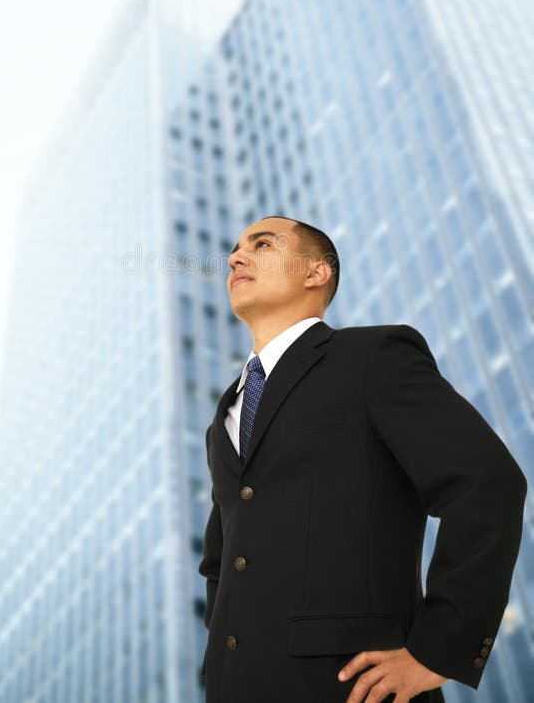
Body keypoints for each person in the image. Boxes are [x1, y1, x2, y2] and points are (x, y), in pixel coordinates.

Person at [198, 215, 527, 703]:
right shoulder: (227, 410)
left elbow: (486, 482)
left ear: (316, 273)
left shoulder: (373, 356)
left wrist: (437, 651)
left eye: (262, 244)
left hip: (356, 688)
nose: (235, 257)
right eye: (235, 250)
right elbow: (221, 561)